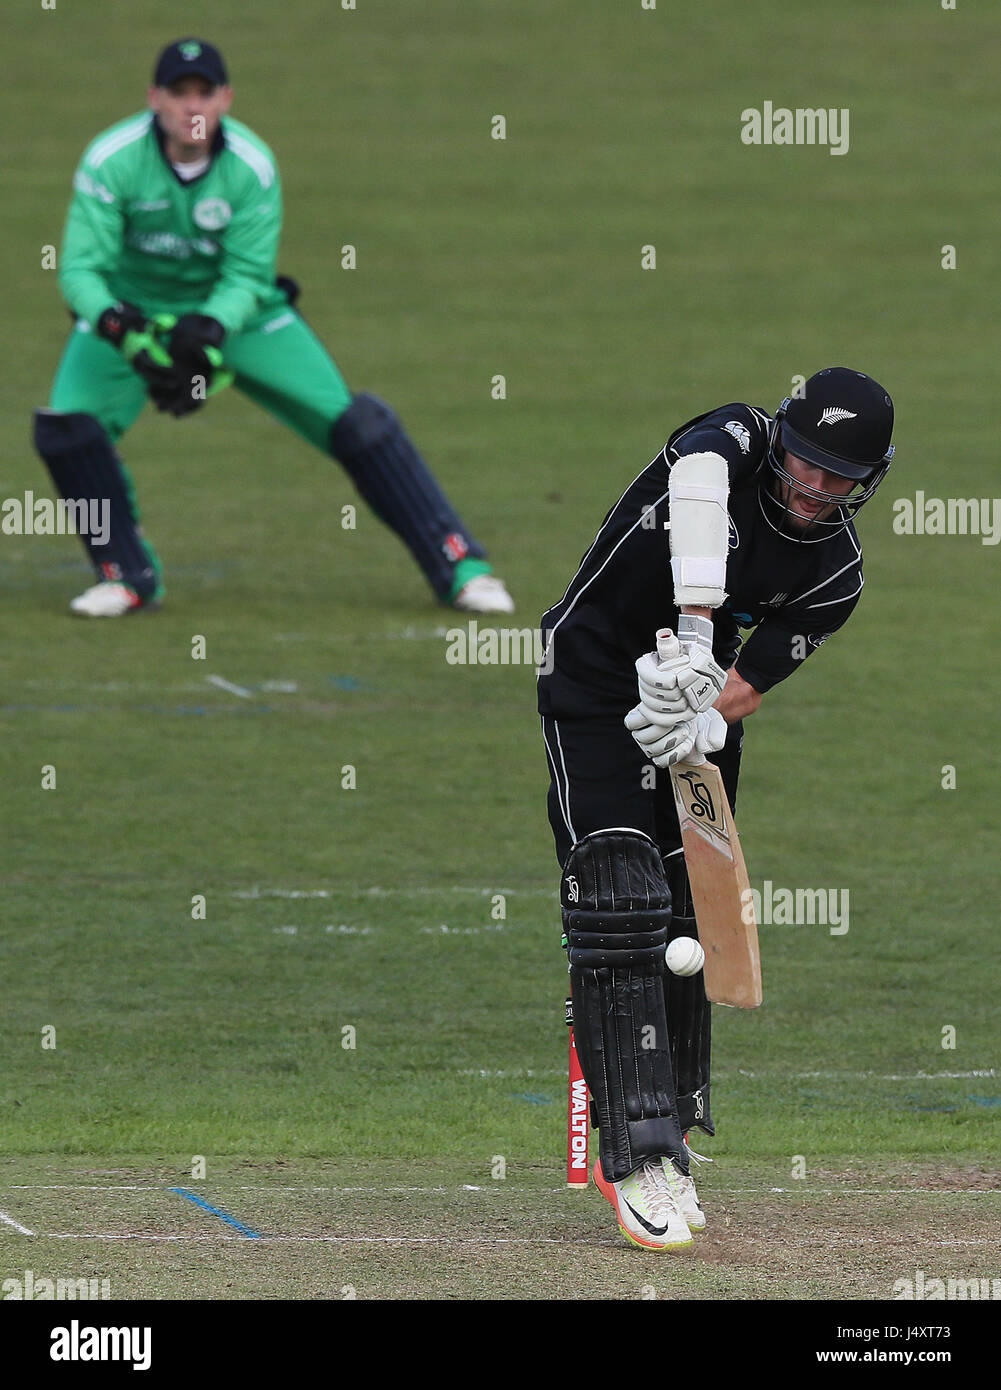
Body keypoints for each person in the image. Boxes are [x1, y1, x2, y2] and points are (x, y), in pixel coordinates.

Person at [538, 367, 894, 1250]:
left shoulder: (835, 575)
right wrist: (694, 631)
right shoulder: (731, 437)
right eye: (805, 464)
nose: (814, 491)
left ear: (870, 480)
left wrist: (691, 713)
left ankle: (675, 1132)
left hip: (693, 719)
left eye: (838, 479)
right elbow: (693, 483)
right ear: (781, 440)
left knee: (686, 916)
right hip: (589, 680)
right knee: (616, 895)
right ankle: (633, 1159)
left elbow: (748, 685)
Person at [34, 37, 514, 618]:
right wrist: (124, 332)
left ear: (226, 99)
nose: (192, 108)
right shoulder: (111, 161)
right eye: (178, 93)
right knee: (66, 431)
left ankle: (461, 564)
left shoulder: (251, 168)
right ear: (153, 99)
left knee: (355, 424)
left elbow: (247, 274)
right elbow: (81, 269)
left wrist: (209, 332)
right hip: (132, 314)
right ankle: (126, 576)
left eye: (204, 94)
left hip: (240, 316)